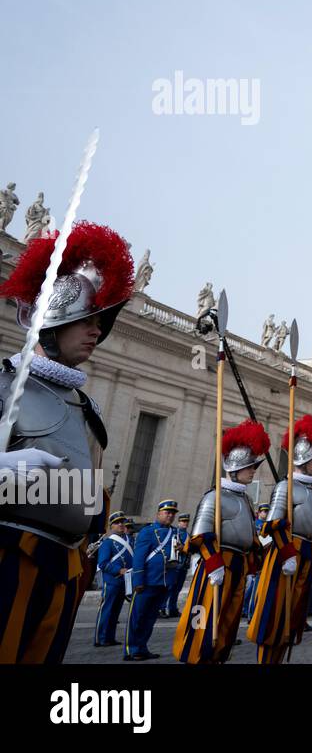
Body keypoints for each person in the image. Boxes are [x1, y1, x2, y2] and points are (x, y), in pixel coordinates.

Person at [0, 222, 133, 663]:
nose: (97, 332)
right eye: (86, 321)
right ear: (53, 325)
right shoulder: (5, 385)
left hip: (63, 570)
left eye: (100, 322)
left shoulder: (86, 408)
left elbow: (88, 495)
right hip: (8, 561)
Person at [173, 420, 270, 664]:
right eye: (249, 466)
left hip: (238, 566)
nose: (253, 471)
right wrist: (214, 563)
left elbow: (250, 538)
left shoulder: (246, 500)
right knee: (203, 616)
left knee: (228, 621)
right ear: (234, 468)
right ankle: (194, 656)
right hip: (215, 566)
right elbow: (200, 535)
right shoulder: (214, 497)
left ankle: (217, 658)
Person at [248, 414, 312, 664]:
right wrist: (286, 554)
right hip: (286, 554)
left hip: (304, 555)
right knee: (275, 614)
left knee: (293, 616)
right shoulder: (285, 486)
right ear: (304, 459)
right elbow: (272, 524)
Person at [123, 499, 180, 660]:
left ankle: (142, 647)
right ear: (158, 513)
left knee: (149, 619)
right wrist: (138, 581)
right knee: (138, 617)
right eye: (167, 513)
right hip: (147, 581)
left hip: (163, 581)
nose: (170, 516)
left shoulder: (174, 532)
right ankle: (131, 649)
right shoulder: (147, 532)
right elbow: (139, 558)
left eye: (172, 513)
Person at [94, 511, 132, 647]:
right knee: (107, 609)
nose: (121, 524)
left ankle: (110, 637)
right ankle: (100, 638)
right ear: (112, 526)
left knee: (115, 611)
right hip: (112, 580)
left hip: (125, 581)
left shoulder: (129, 540)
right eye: (117, 523)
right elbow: (102, 563)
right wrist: (119, 570)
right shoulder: (108, 543)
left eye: (122, 522)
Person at [242, 503, 270, 619]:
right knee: (252, 586)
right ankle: (249, 612)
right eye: (263, 511)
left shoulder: (268, 524)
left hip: (265, 557)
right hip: (257, 557)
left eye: (267, 511)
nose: (266, 513)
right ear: (259, 512)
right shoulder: (255, 524)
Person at [163, 512, 190, 617]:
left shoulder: (188, 535)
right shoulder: (175, 533)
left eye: (186, 522)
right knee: (169, 588)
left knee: (177, 589)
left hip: (183, 565)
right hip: (175, 565)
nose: (185, 524)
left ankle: (172, 608)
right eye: (183, 521)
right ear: (179, 522)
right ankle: (162, 608)